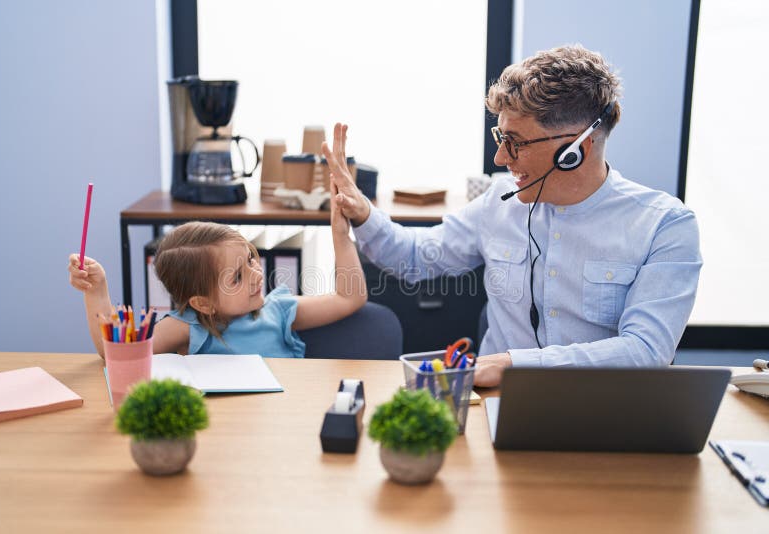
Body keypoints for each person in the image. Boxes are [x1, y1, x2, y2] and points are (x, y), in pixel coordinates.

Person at [322, 44, 702, 387]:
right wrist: (363, 212)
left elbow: (645, 351)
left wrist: (512, 364)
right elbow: (417, 258)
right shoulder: (497, 202)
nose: (500, 159)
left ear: (575, 149)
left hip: (603, 411)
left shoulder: (665, 226)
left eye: (515, 143)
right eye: (500, 138)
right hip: (495, 404)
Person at [68, 183, 367, 359]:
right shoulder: (188, 326)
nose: (256, 273)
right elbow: (116, 354)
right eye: (237, 276)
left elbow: (348, 299)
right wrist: (97, 291)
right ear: (203, 303)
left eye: (250, 259)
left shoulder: (279, 309)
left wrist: (341, 236)